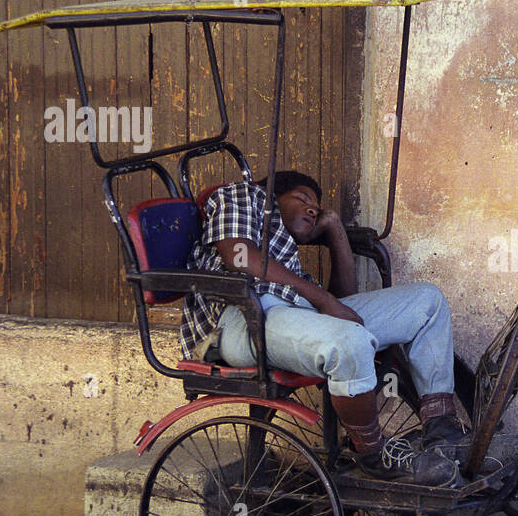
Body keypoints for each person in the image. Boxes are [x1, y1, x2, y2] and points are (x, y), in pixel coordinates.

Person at [179, 170, 468, 487]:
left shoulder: (285, 252)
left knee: (427, 302)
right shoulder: (244, 194)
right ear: (273, 196)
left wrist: (334, 230)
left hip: (297, 315)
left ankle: (442, 433)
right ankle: (374, 454)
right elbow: (238, 256)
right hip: (242, 319)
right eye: (302, 199)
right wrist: (321, 298)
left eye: (316, 207)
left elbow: (341, 301)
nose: (311, 209)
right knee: (347, 342)